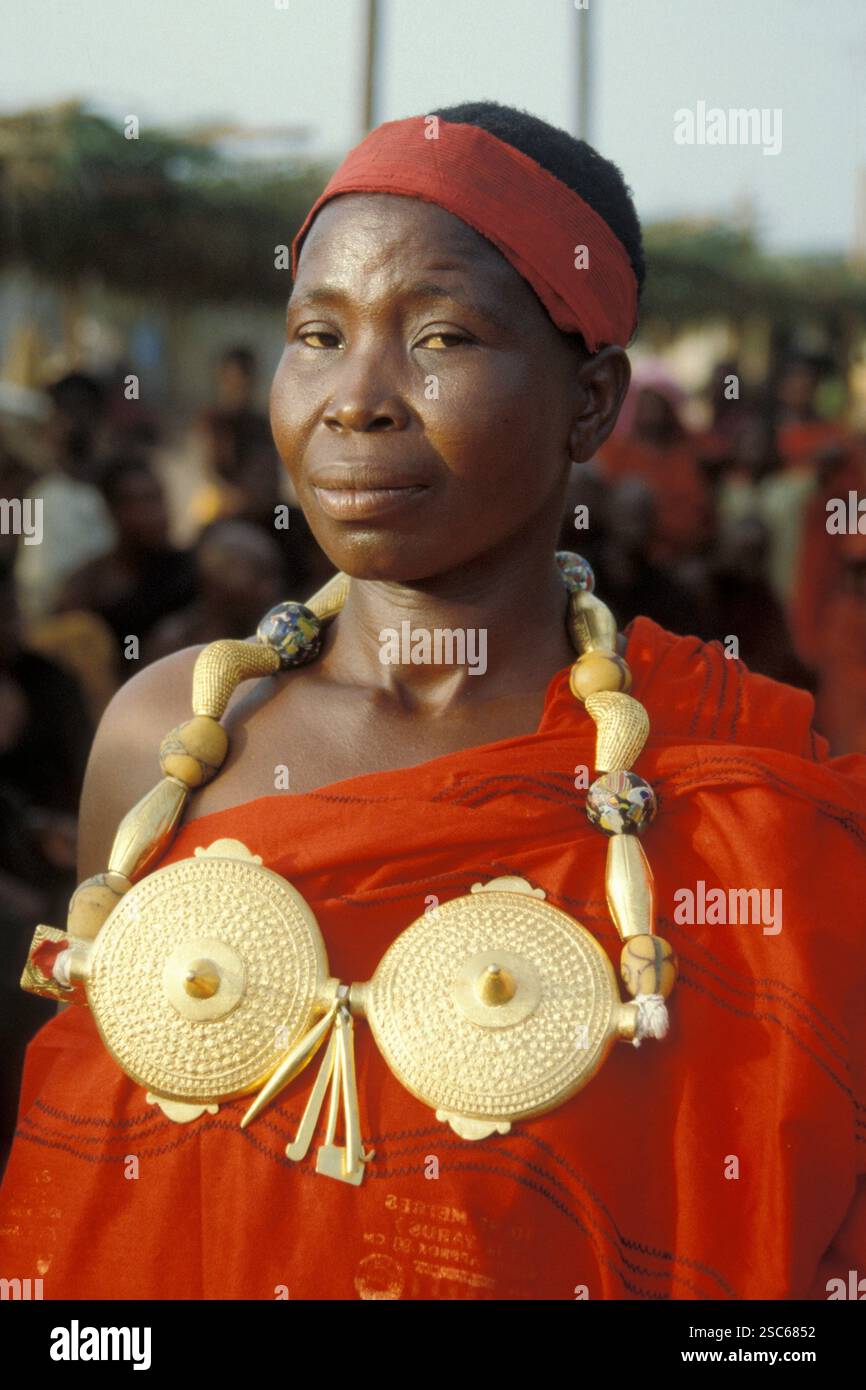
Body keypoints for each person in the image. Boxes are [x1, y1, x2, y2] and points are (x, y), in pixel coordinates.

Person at [1, 100, 865, 1303]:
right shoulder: (169, 745)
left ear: (591, 402)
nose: (354, 398)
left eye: (442, 338)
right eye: (317, 333)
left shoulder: (724, 786)